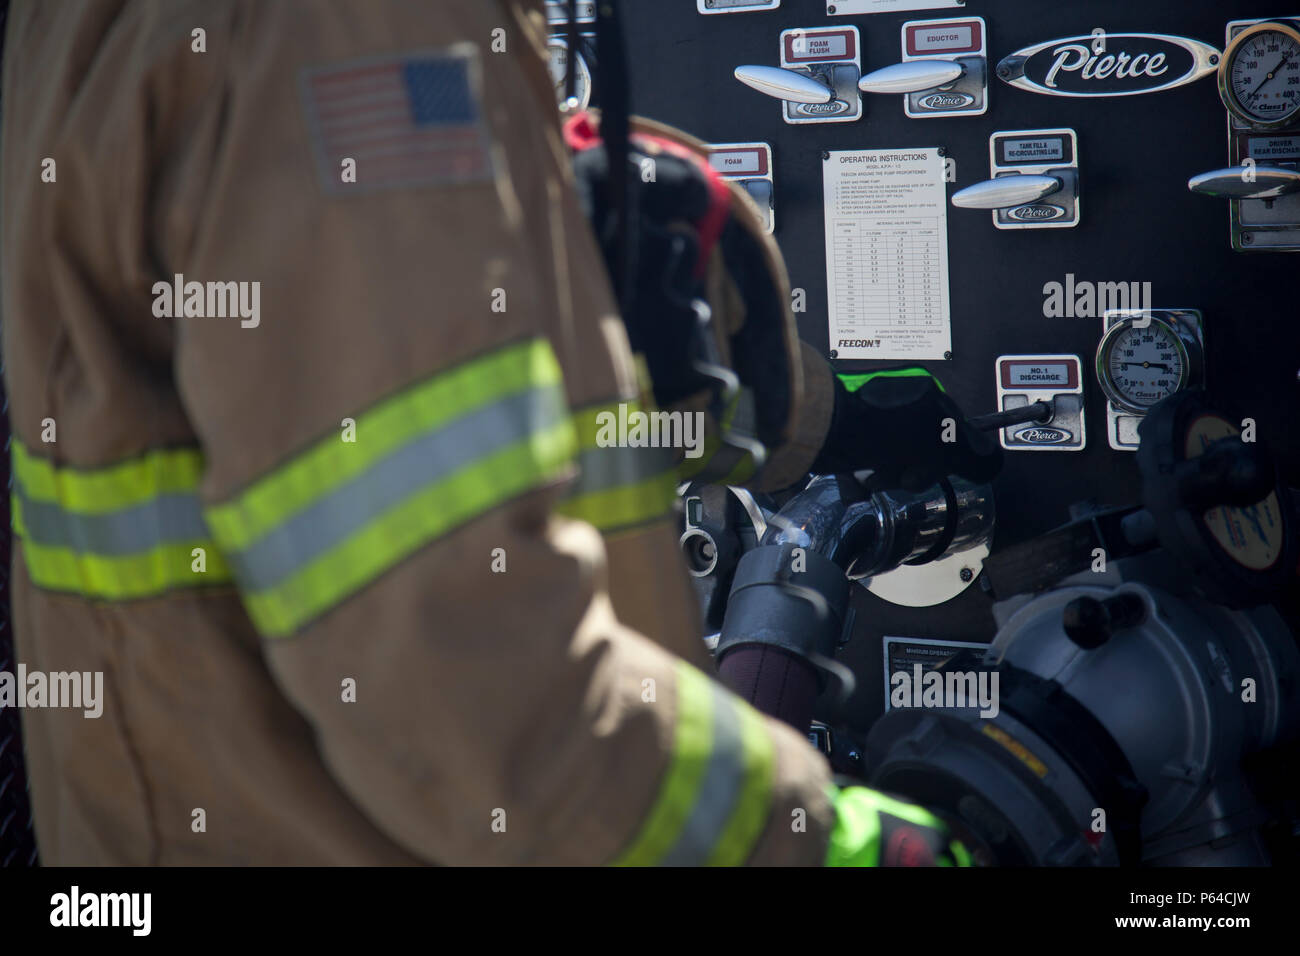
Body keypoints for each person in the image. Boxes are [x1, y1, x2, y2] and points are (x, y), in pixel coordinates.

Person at [1, 0, 994, 865]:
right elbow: (478, 707)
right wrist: (845, 848)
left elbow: (316, 412)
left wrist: (792, 409)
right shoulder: (346, 28)